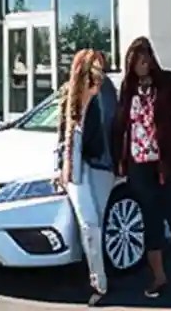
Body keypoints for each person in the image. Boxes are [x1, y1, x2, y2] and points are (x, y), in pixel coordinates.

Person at [111, 36, 171, 299]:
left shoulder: (169, 83)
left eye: (146, 58)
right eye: (138, 60)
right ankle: (159, 277)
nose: (143, 63)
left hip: (167, 163)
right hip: (140, 165)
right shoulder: (127, 88)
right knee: (151, 222)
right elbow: (119, 127)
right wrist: (119, 159)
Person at [55, 49, 116, 307]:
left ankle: (97, 271)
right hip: (76, 164)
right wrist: (59, 167)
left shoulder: (108, 91)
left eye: (100, 66)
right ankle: (98, 282)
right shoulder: (70, 94)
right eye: (92, 67)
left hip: (102, 163)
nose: (97, 72)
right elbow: (62, 134)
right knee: (88, 223)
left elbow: (116, 124)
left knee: (97, 222)